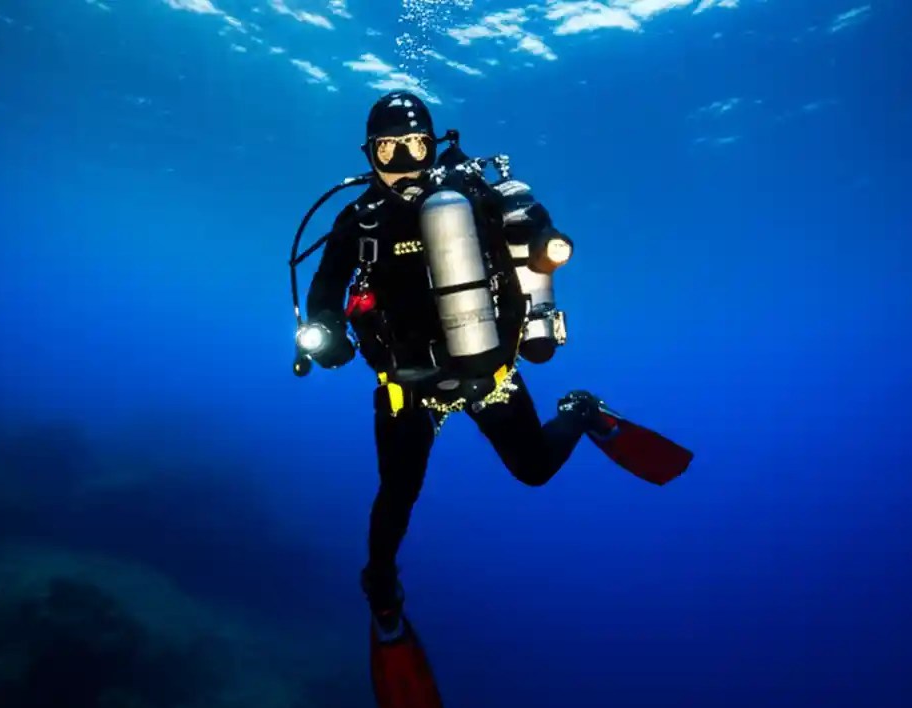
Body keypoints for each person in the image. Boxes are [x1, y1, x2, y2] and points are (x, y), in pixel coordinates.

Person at [295, 91, 691, 645]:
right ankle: (380, 585)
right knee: (395, 496)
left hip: (490, 375)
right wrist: (326, 334)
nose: (404, 163)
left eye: (416, 147)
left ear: (433, 147)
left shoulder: (472, 196)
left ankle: (580, 412)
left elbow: (531, 228)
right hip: (407, 390)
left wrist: (546, 241)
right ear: (369, 154)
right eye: (390, 150)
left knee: (532, 470)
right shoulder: (357, 222)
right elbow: (323, 294)